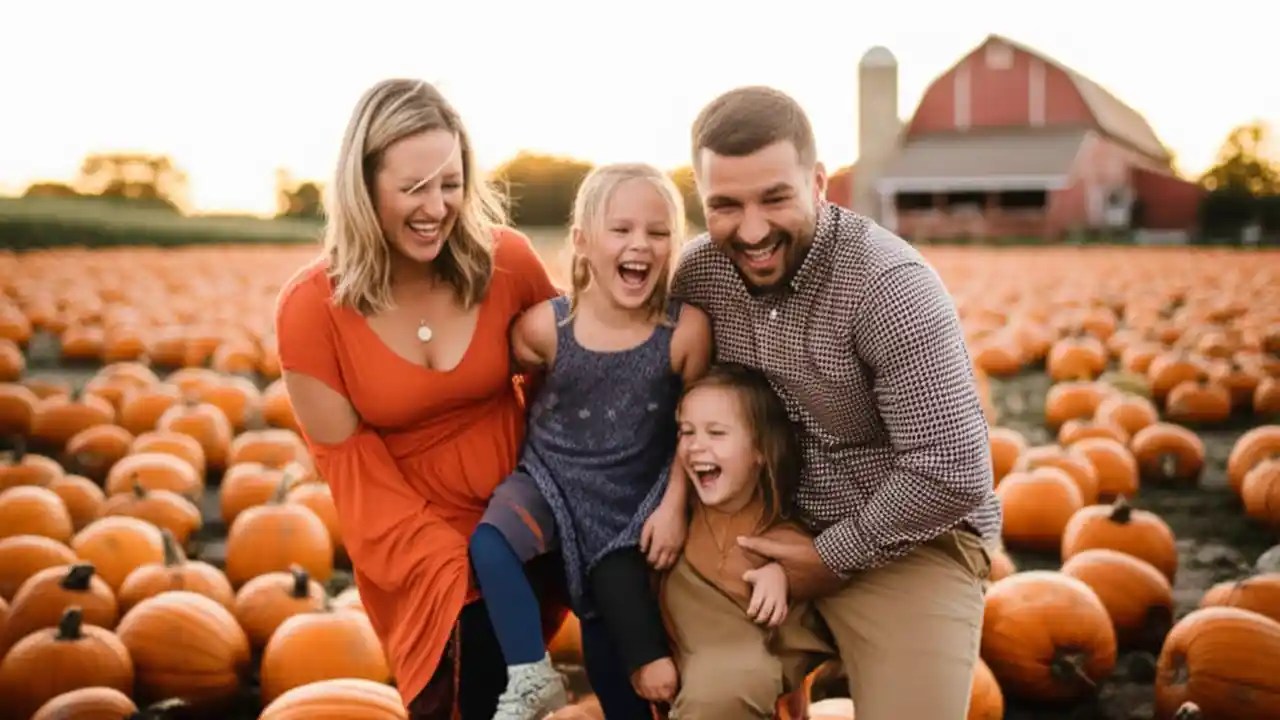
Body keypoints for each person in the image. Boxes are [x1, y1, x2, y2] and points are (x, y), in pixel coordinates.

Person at [669, 85, 1002, 719]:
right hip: (760, 531)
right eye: (726, 205)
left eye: (775, 198)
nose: (753, 229)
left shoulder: (887, 285)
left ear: (818, 182)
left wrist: (832, 556)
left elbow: (954, 467)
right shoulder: (698, 277)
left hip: (910, 542)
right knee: (712, 703)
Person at [274, 78, 569, 719]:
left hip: (526, 512)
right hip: (418, 543)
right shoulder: (311, 310)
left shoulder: (508, 263)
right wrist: (456, 571)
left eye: (450, 184)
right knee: (472, 676)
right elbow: (353, 473)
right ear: (364, 185)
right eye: (412, 188)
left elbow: (570, 388)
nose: (436, 207)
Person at [467, 162, 712, 719]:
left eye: (657, 232)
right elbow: (484, 383)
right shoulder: (544, 329)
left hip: (630, 509)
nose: (640, 245)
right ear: (582, 241)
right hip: (550, 484)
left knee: (618, 673)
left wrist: (674, 504)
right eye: (620, 230)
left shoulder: (684, 333)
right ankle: (531, 674)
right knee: (491, 543)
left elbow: (694, 427)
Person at [659, 363, 824, 718]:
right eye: (686, 432)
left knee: (732, 685)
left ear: (759, 452)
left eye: (716, 433)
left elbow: (794, 659)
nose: (696, 446)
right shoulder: (677, 519)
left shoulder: (781, 533)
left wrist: (783, 574)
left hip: (729, 689)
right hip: (678, 672)